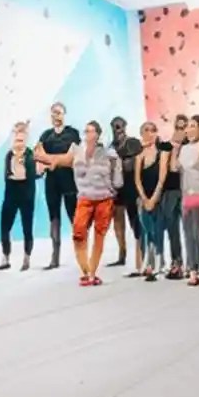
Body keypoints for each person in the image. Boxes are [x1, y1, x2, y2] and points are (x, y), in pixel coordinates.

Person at [36, 121, 122, 286]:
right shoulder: (76, 150)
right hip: (84, 198)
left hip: (104, 198)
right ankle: (86, 271)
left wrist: (114, 189)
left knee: (99, 236)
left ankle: (92, 273)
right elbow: (59, 159)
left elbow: (117, 178)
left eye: (91, 131)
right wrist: (41, 157)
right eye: (86, 131)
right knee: (78, 234)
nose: (87, 134)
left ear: (97, 134)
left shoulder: (108, 153)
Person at [35, 102, 80, 269]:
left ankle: (80, 254)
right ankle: (55, 256)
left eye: (59, 112)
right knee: (53, 218)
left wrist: (50, 160)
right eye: (53, 113)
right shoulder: (45, 135)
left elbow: (71, 158)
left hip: (69, 181)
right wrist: (56, 161)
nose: (56, 116)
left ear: (64, 114)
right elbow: (37, 155)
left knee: (73, 218)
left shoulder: (72, 133)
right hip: (51, 182)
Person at [176, 116, 199, 284]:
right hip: (187, 194)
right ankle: (192, 268)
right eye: (187, 127)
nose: (188, 130)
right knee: (189, 233)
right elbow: (177, 167)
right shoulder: (184, 148)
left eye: (192, 126)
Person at [0, 125, 37, 271]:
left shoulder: (30, 155)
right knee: (5, 226)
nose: (19, 143)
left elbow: (33, 175)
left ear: (26, 140)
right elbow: (6, 175)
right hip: (11, 192)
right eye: (16, 140)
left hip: (26, 193)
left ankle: (27, 258)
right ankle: (5, 257)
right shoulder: (9, 155)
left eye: (21, 140)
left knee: (27, 227)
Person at [134, 122, 169, 281]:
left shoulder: (161, 153)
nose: (149, 133)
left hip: (158, 197)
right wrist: (144, 198)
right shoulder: (139, 155)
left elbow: (162, 177)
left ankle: (160, 261)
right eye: (146, 131)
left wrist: (154, 198)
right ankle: (149, 262)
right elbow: (137, 179)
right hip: (143, 198)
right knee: (147, 231)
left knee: (158, 229)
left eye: (152, 130)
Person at [108, 116, 143, 269]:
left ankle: (141, 252)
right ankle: (122, 253)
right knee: (117, 218)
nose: (117, 129)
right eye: (114, 126)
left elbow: (138, 163)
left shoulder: (133, 143)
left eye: (119, 126)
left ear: (125, 126)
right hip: (116, 186)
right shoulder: (110, 147)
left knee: (134, 219)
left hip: (131, 184)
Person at [158, 114, 187, 278]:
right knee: (172, 229)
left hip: (186, 191)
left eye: (183, 128)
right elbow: (167, 169)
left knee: (191, 230)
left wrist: (178, 149)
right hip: (169, 192)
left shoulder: (191, 147)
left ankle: (195, 264)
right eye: (178, 127)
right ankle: (176, 262)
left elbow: (177, 168)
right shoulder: (165, 146)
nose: (180, 131)